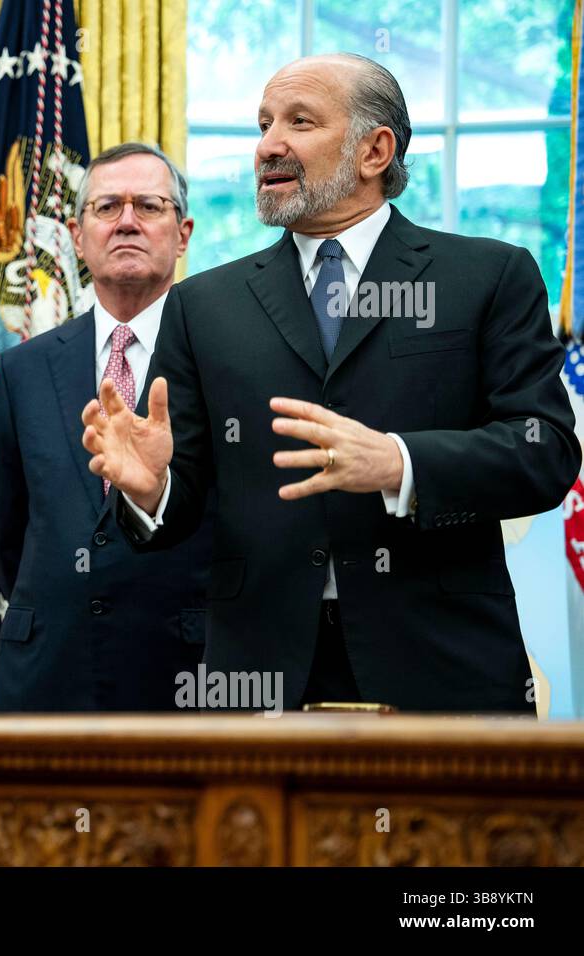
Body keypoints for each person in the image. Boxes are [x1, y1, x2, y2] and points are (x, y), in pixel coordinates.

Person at [82, 54, 581, 713]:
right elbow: (185, 502)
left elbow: (543, 452)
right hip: (257, 681)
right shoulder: (202, 305)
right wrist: (153, 490)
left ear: (375, 150)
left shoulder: (487, 278)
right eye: (263, 125)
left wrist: (397, 463)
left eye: (299, 121)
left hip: (444, 673)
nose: (268, 146)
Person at [0, 142, 213, 711]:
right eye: (107, 207)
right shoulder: (21, 369)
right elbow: (8, 538)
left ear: (182, 234)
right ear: (77, 235)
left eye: (149, 207)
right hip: (46, 678)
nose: (127, 222)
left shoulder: (229, 360)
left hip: (186, 676)